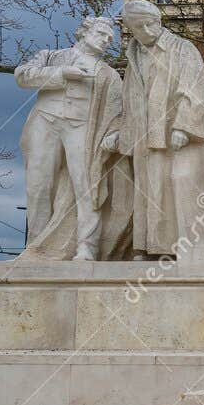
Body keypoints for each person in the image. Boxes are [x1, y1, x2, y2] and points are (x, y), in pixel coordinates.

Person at [16, 17, 131, 260]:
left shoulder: (109, 74)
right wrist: (62, 74)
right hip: (44, 121)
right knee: (38, 185)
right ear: (84, 32)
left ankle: (86, 247)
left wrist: (112, 134)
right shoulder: (51, 56)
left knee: (87, 184)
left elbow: (119, 111)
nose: (106, 40)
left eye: (110, 38)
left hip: (82, 127)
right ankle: (36, 246)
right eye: (101, 34)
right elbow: (23, 76)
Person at [115, 0, 204, 257]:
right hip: (144, 133)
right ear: (130, 29)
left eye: (151, 24)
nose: (148, 31)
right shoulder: (134, 55)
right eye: (140, 27)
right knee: (150, 190)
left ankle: (195, 246)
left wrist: (184, 125)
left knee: (184, 182)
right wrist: (122, 132)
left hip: (178, 132)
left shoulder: (182, 48)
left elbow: (192, 88)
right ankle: (153, 247)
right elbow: (129, 98)